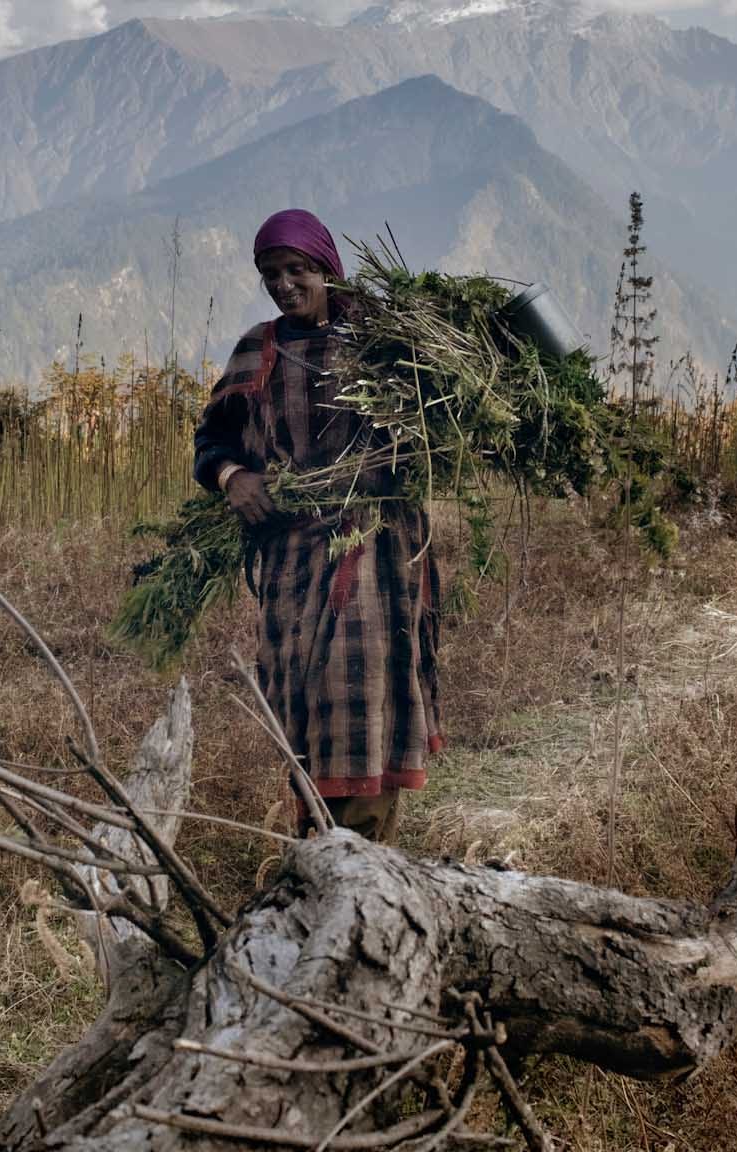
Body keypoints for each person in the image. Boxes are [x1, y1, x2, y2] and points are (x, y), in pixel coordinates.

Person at [193, 208, 444, 843]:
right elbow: (211, 440)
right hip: (292, 562)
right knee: (303, 703)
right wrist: (232, 478)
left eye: (296, 270)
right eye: (270, 273)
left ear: (327, 268)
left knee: (360, 695)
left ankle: (359, 854)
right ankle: (318, 844)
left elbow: (437, 427)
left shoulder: (389, 340)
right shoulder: (259, 349)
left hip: (374, 549)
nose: (283, 284)